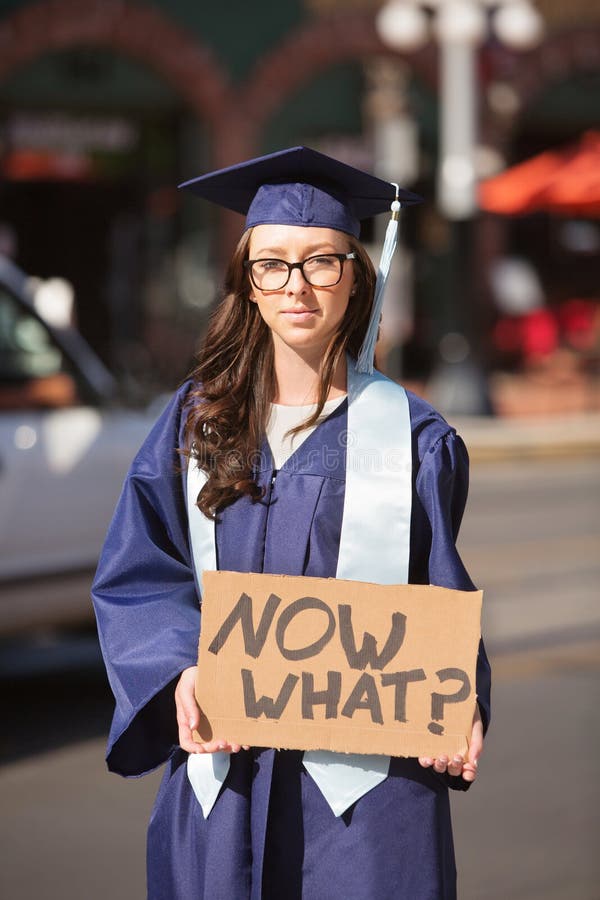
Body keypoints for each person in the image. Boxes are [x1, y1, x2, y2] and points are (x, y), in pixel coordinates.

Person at [92, 146, 491, 900]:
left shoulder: (412, 437)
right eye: (271, 264)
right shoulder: (195, 424)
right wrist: (176, 670)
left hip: (364, 794)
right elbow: (141, 572)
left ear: (356, 275)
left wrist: (461, 696)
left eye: (321, 262)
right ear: (247, 281)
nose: (296, 285)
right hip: (226, 767)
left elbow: (437, 595)